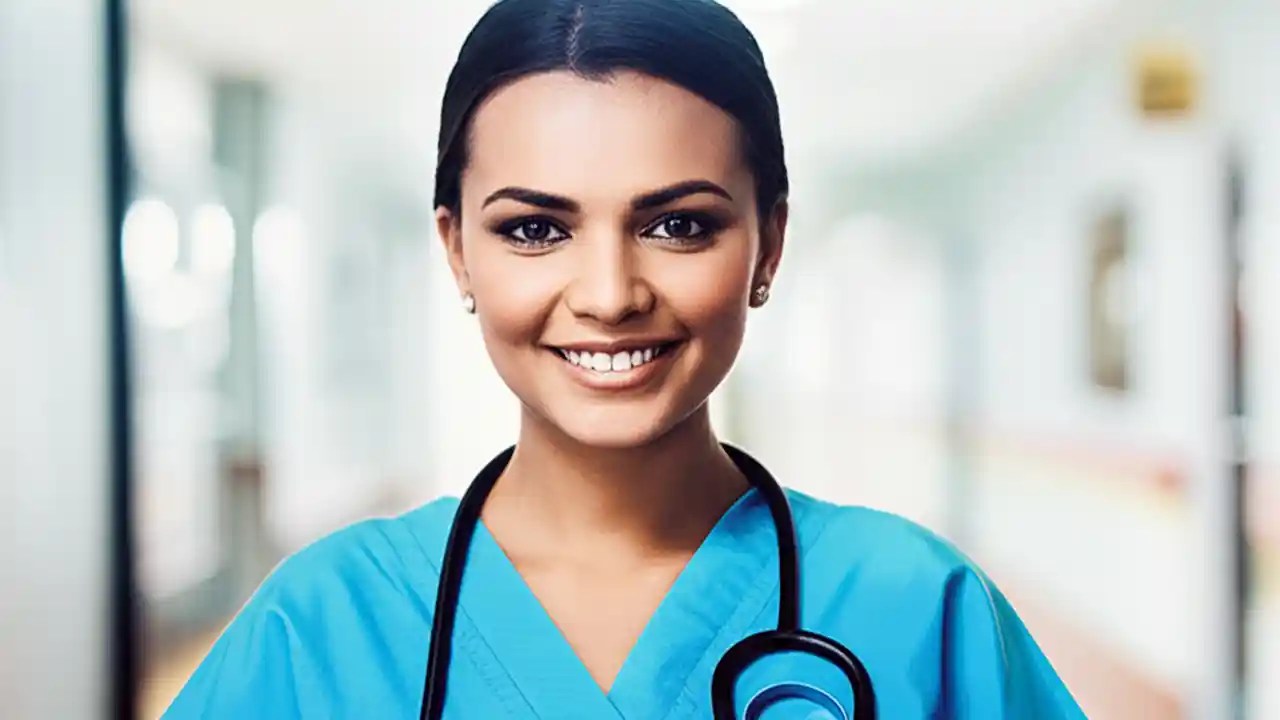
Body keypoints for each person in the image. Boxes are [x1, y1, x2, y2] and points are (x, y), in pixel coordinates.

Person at [164, 0, 1086, 717]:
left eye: (678, 225)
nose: (609, 294)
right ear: (457, 253)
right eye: (535, 229)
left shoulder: (918, 608)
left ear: (767, 245)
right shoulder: (324, 626)